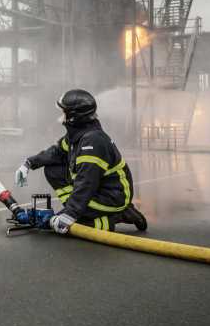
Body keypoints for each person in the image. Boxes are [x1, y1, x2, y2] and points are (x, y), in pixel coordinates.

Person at [14, 89, 147, 234]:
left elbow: (86, 182)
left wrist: (69, 215)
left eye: (64, 112)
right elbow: (57, 152)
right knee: (52, 170)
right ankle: (79, 211)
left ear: (73, 117)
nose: (61, 116)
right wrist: (29, 163)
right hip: (99, 190)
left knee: (72, 223)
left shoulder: (93, 141)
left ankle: (120, 215)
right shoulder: (78, 135)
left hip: (113, 196)